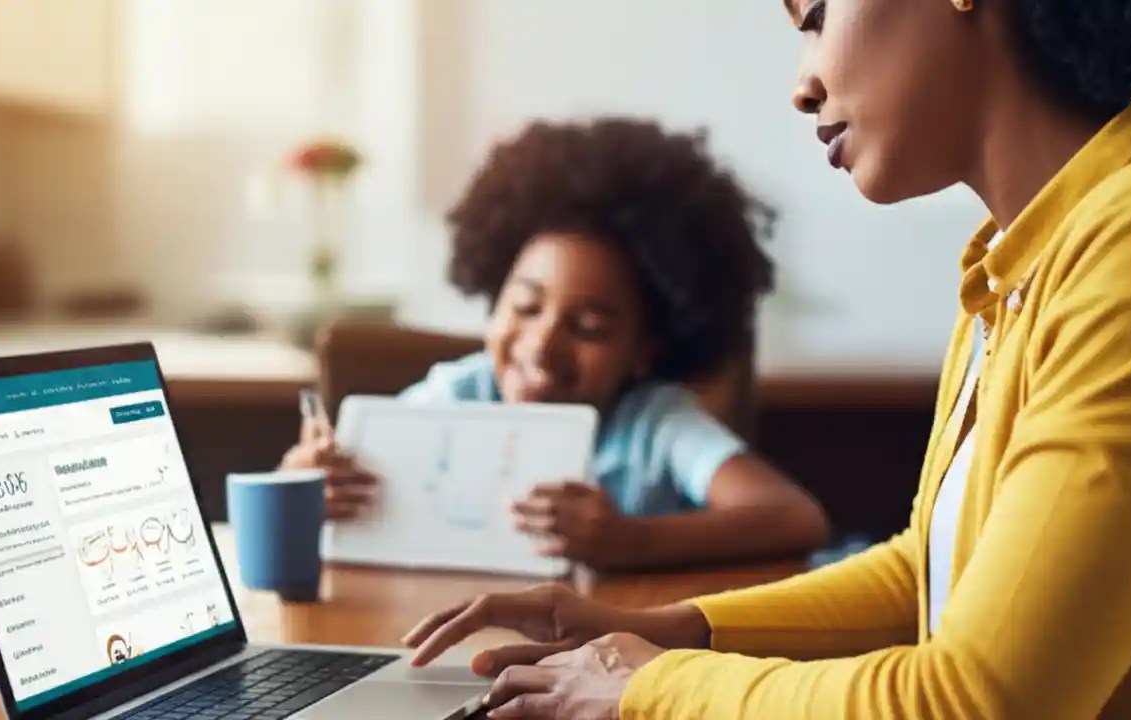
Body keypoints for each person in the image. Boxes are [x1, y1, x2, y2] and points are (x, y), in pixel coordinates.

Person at [403, 0, 1131, 718]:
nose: (802, 86)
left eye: (817, 15)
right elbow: (925, 575)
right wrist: (662, 629)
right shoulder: (1016, 266)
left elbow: (982, 700)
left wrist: (652, 685)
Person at [278, 118, 830, 571]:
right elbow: (322, 480)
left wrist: (633, 542)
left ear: (646, 348)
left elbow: (795, 516)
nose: (542, 347)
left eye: (588, 327)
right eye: (524, 307)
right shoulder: (457, 394)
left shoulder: (653, 425)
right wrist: (304, 482)